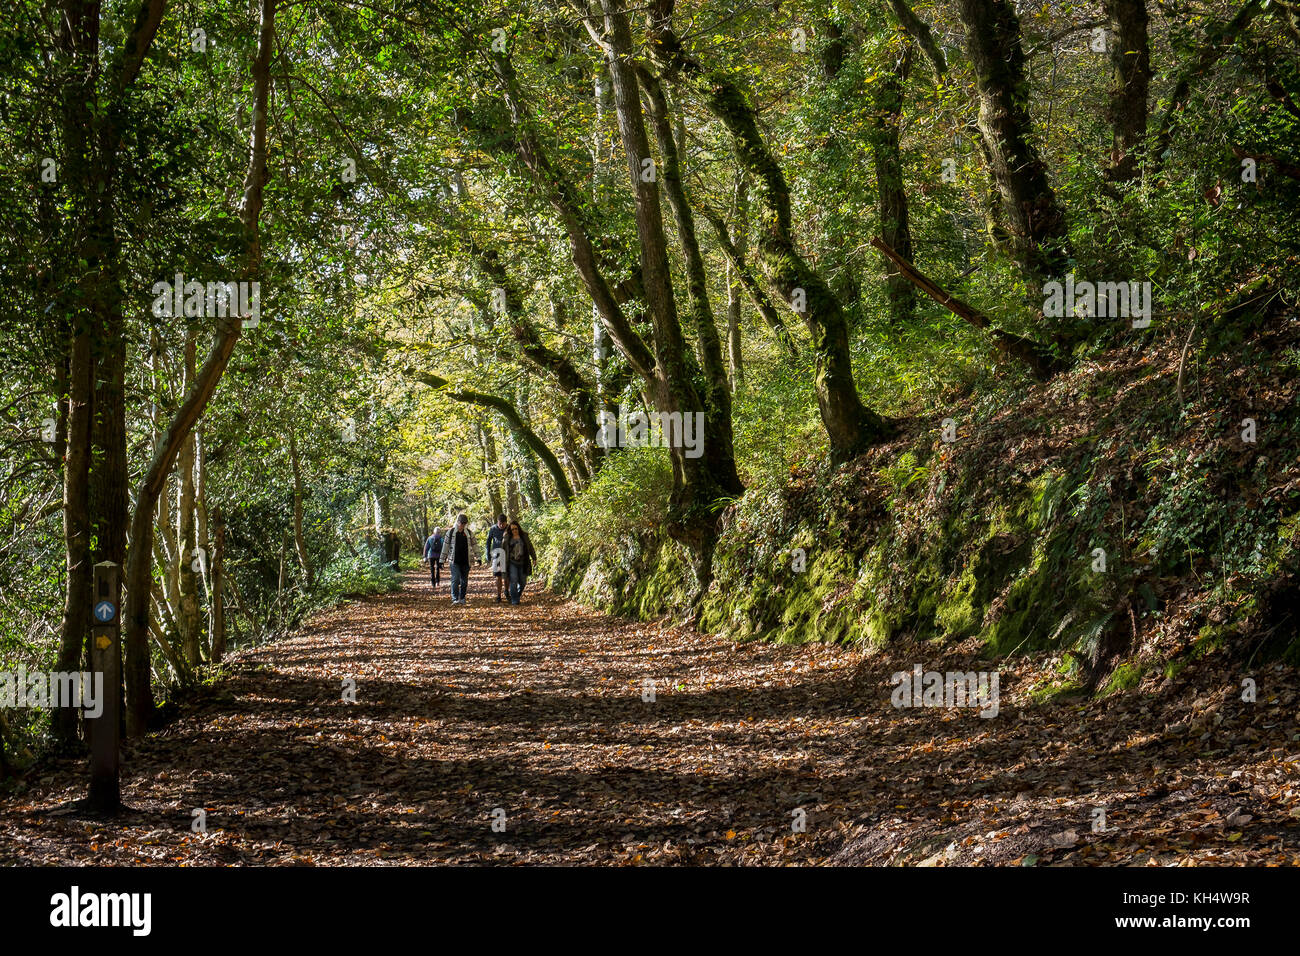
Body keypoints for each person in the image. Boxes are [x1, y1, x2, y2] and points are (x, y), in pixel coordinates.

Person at [439, 514, 479, 604]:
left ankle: (462, 597)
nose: (462, 525)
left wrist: (478, 557)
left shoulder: (469, 533)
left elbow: (475, 545)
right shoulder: (451, 532)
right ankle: (455, 598)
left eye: (464, 524)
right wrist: (441, 560)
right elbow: (445, 546)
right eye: (461, 523)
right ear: (458, 522)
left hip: (466, 560)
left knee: (464, 581)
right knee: (455, 578)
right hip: (454, 560)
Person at [503, 518, 537, 606]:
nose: (514, 530)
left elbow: (530, 547)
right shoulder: (507, 538)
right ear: (510, 530)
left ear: (518, 528)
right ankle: (514, 599)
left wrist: (534, 558)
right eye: (512, 529)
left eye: (516, 528)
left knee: (523, 582)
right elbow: (503, 551)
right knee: (513, 580)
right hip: (511, 562)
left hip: (523, 562)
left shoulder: (524, 536)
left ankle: (517, 594)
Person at [485, 513, 508, 603]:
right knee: (498, 576)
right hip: (497, 554)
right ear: (497, 522)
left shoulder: (509, 528)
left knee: (506, 576)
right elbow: (488, 541)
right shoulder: (493, 529)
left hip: (507, 555)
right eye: (500, 523)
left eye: (503, 524)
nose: (501, 525)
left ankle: (506, 591)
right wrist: (487, 553)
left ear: (506, 522)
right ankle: (498, 595)